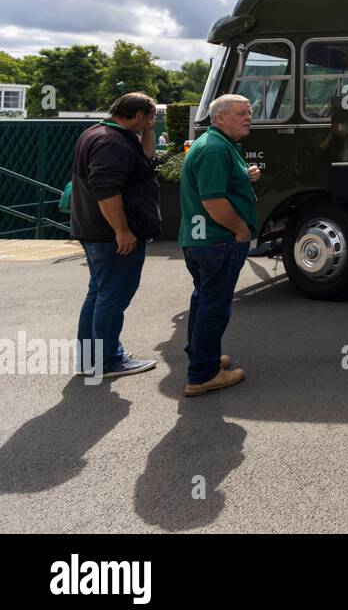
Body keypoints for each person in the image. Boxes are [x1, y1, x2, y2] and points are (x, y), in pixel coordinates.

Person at [70, 92, 162, 378]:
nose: (152, 122)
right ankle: (107, 360)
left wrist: (149, 130)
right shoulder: (112, 142)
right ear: (138, 115)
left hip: (93, 230)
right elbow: (106, 188)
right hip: (111, 235)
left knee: (99, 292)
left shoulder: (103, 133)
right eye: (150, 117)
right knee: (113, 294)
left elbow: (146, 160)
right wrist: (122, 230)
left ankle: (91, 359)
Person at [178, 94, 261, 396]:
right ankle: (202, 374)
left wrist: (245, 177)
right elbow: (213, 200)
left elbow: (219, 186)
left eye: (249, 112)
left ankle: (204, 358)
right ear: (220, 118)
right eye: (241, 112)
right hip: (217, 241)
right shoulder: (215, 149)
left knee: (204, 300)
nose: (248, 117)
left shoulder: (216, 144)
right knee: (215, 306)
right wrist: (240, 230)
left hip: (203, 241)